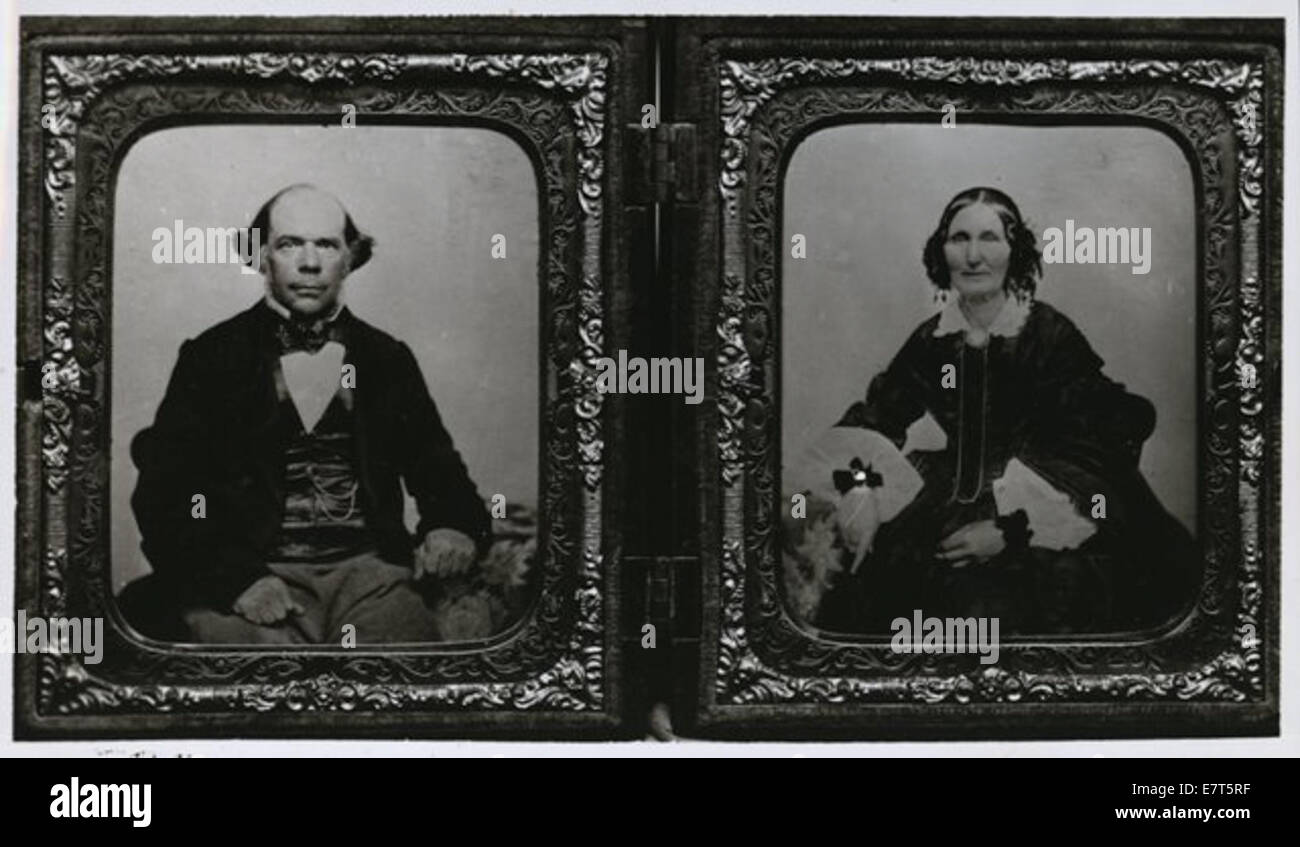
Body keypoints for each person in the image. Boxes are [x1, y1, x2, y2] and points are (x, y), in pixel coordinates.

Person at [812, 187, 1198, 635]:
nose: (973, 256)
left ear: (1015, 252)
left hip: (1040, 511)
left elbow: (1089, 454)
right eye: (959, 239)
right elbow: (876, 420)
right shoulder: (932, 339)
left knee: (990, 608)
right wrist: (860, 491)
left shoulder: (1048, 334)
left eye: (990, 238)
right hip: (941, 501)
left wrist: (1014, 531)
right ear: (943, 251)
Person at [129, 184, 492, 644]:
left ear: (351, 257)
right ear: (261, 257)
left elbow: (441, 472)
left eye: (326, 244)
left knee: (397, 672)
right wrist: (235, 581)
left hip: (371, 575)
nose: (309, 263)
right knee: (257, 684)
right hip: (257, 572)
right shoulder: (211, 357)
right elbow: (164, 496)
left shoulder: (387, 358)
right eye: (288, 244)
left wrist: (451, 526)